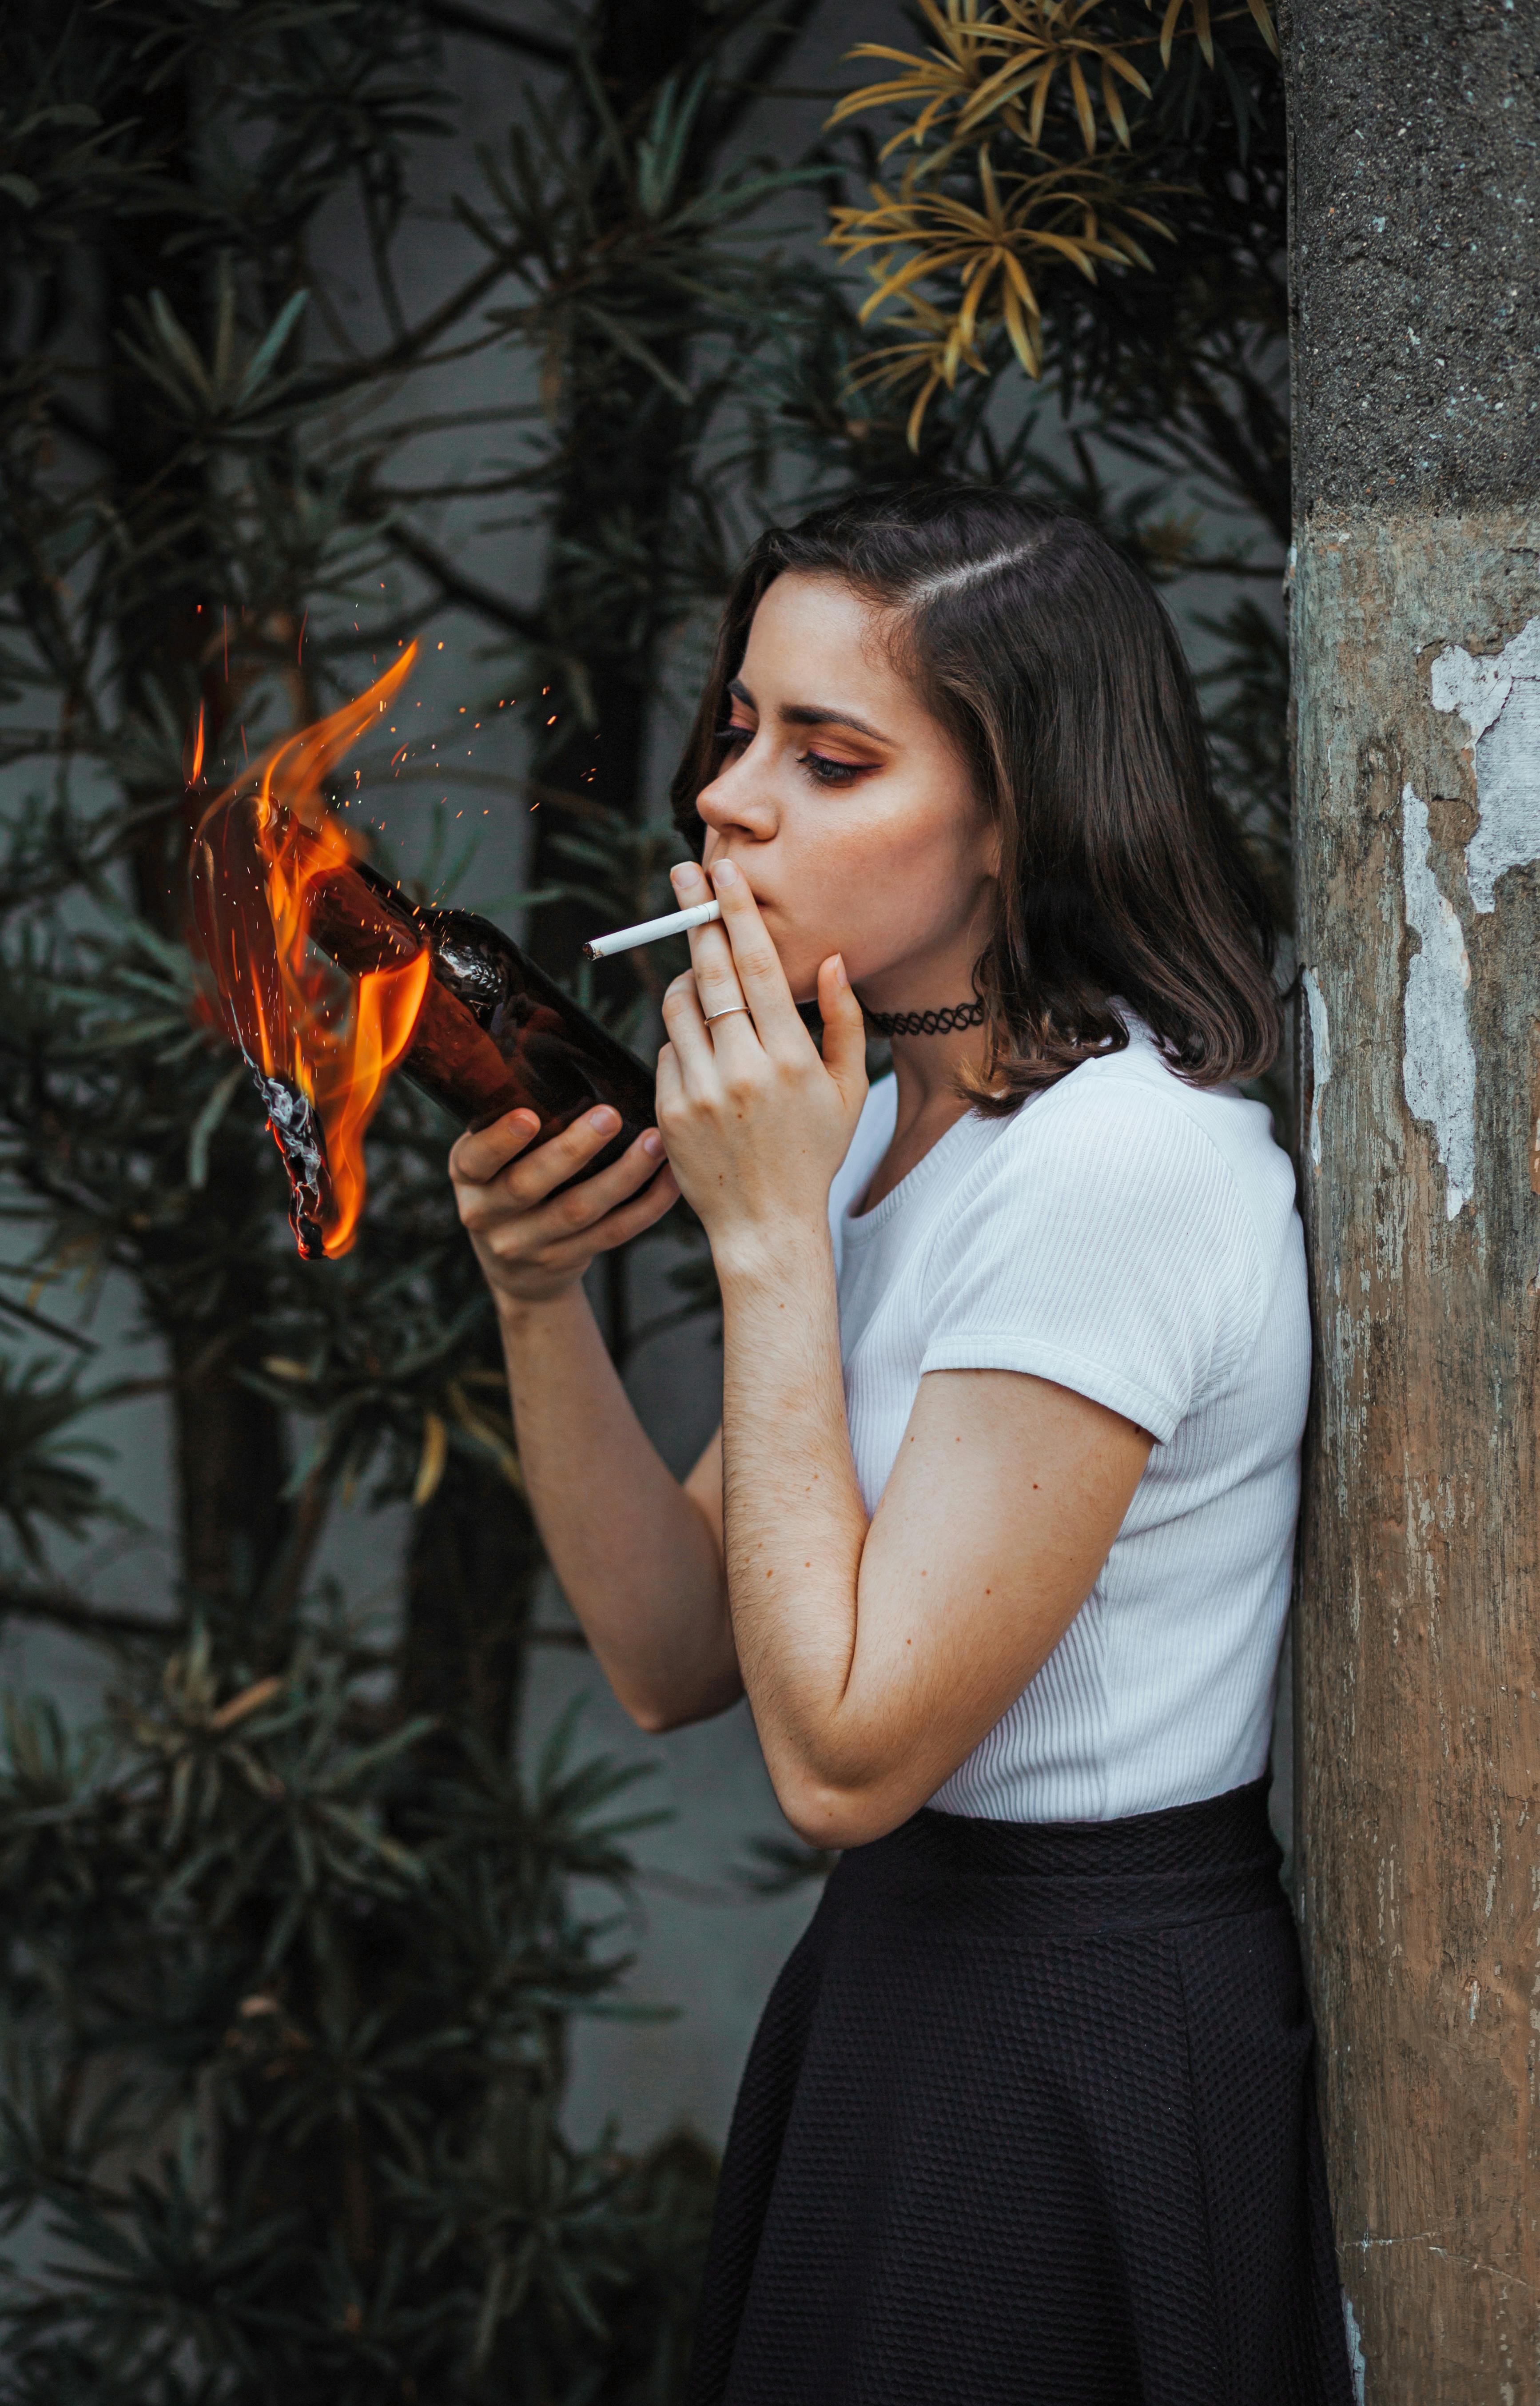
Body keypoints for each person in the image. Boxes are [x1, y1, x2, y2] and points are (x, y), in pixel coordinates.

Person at [450, 486, 1354, 2406]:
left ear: (1016, 807)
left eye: (830, 754)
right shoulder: (882, 1120)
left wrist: (768, 1238)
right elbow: (674, 1650)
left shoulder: (1119, 1161)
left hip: (1077, 2017)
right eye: (739, 728)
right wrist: (539, 1299)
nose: (730, 801)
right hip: (903, 1986)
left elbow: (846, 1754)